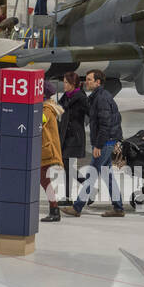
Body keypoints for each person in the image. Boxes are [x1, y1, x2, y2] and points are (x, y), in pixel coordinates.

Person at [61, 69, 124, 217]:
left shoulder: (101, 98)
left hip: (105, 142)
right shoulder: (98, 96)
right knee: (107, 175)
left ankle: (77, 207)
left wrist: (99, 145)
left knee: (92, 174)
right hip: (108, 140)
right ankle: (118, 208)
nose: (86, 82)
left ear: (98, 82)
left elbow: (105, 124)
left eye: (90, 80)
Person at [57, 71, 88, 204]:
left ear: (73, 83)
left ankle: (85, 187)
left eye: (66, 82)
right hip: (65, 135)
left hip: (74, 137)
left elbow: (91, 113)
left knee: (67, 166)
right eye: (64, 82)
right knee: (67, 167)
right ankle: (72, 195)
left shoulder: (81, 98)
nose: (64, 85)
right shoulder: (66, 97)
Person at [40, 83, 65, 222]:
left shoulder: (46, 110)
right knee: (45, 181)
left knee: (45, 181)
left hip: (47, 151)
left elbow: (39, 122)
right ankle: (54, 210)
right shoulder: (48, 107)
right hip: (46, 150)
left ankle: (54, 211)